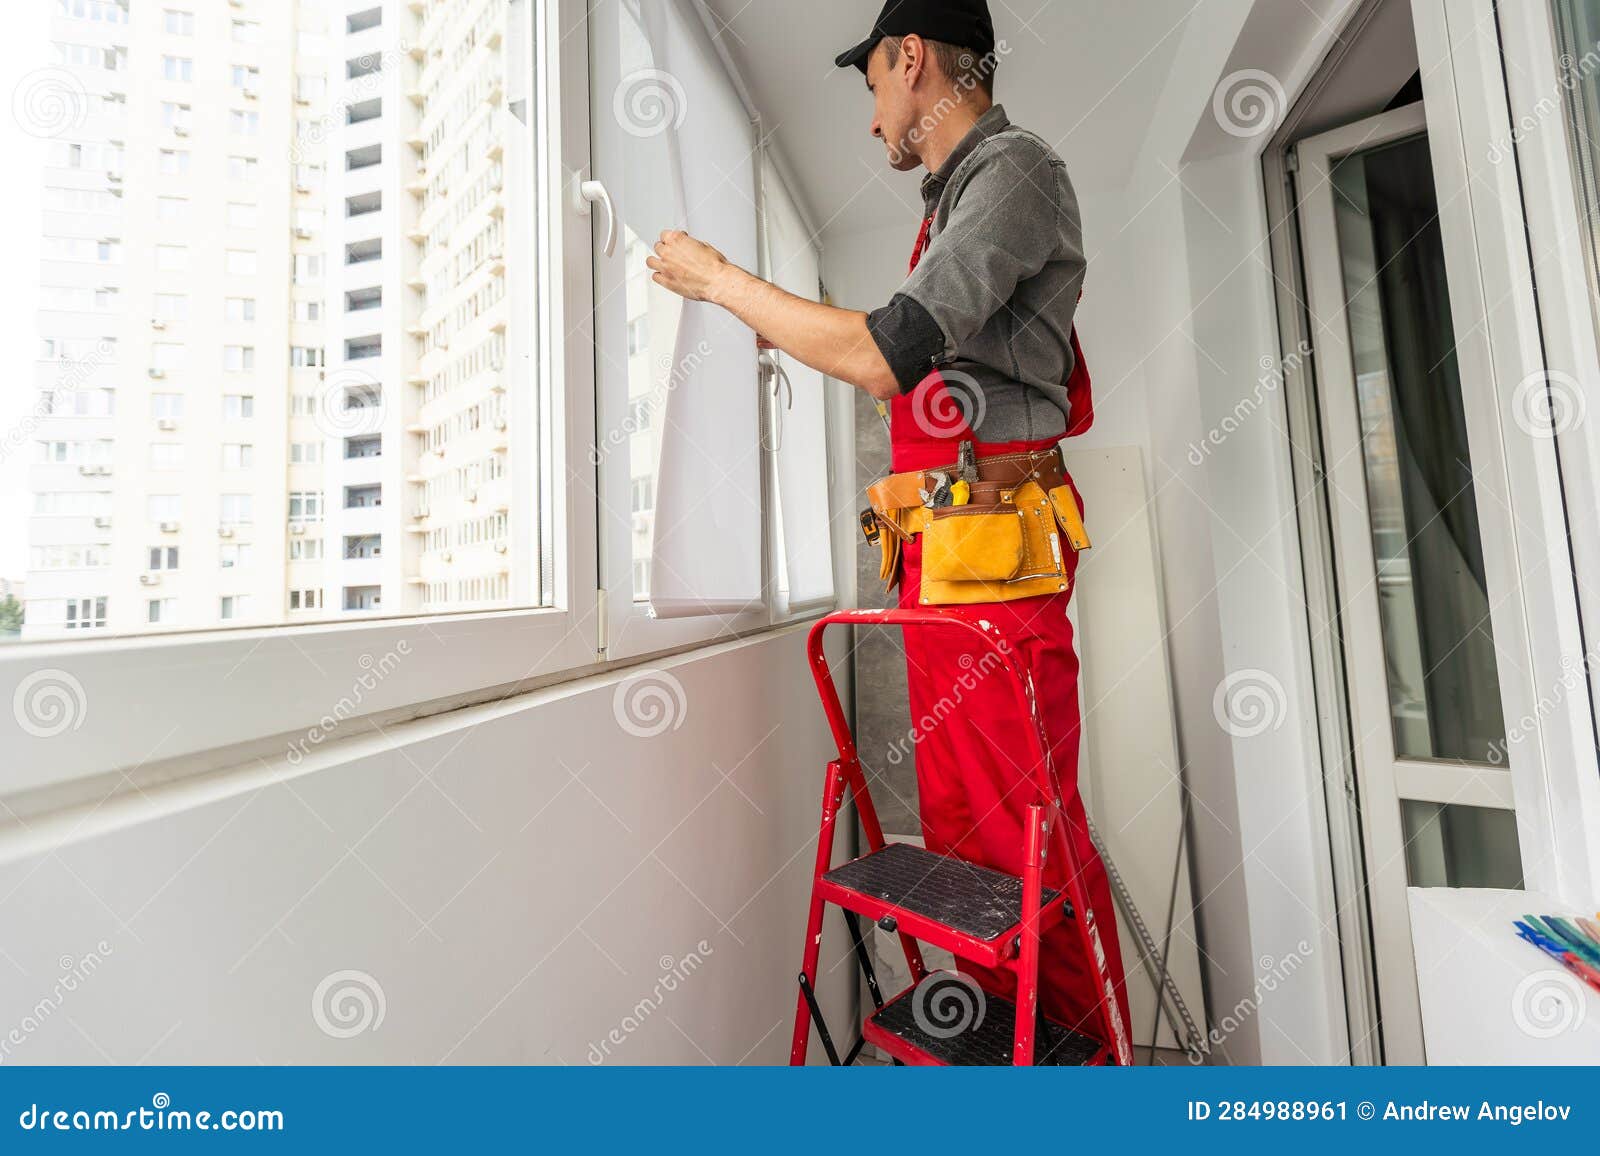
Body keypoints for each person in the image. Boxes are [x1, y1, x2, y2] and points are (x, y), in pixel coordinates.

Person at [646, 0, 1131, 1056]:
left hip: (996, 578)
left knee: (1029, 853)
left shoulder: (1014, 173)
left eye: (873, 85)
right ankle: (1007, 1063)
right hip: (944, 573)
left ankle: (1089, 1082)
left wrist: (722, 281)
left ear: (913, 60)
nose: (871, 118)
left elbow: (883, 353)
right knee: (966, 852)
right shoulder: (949, 202)